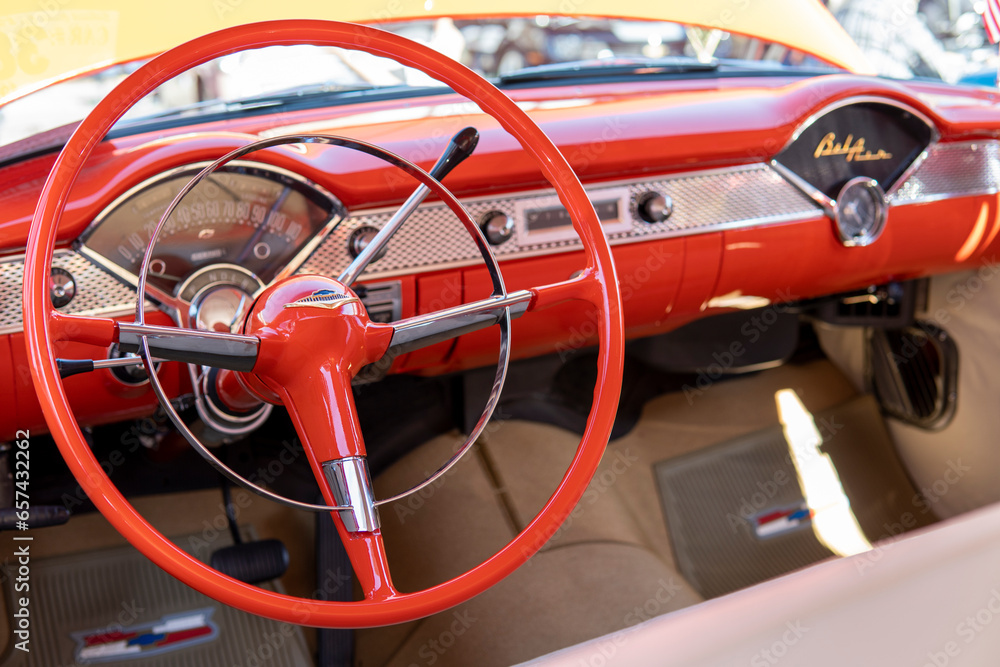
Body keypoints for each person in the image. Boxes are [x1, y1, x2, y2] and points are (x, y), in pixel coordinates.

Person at [828, 0, 962, 82]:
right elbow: (945, 72)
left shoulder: (845, 8)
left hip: (839, 108)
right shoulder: (896, 9)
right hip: (883, 108)